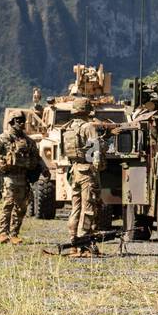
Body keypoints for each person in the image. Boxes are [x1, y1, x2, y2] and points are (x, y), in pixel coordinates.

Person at [0, 109, 42, 245]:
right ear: (12, 122)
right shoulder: (1, 139)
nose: (22, 123)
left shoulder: (28, 141)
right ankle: (3, 233)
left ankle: (14, 233)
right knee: (8, 204)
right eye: (18, 121)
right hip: (9, 177)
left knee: (21, 207)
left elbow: (37, 158)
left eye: (23, 121)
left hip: (23, 177)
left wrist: (44, 170)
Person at [61, 98, 106, 241]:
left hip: (74, 170)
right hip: (87, 171)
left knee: (76, 206)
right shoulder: (88, 127)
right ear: (87, 111)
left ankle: (73, 236)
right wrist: (98, 166)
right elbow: (96, 148)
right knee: (88, 206)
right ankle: (84, 239)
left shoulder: (69, 127)